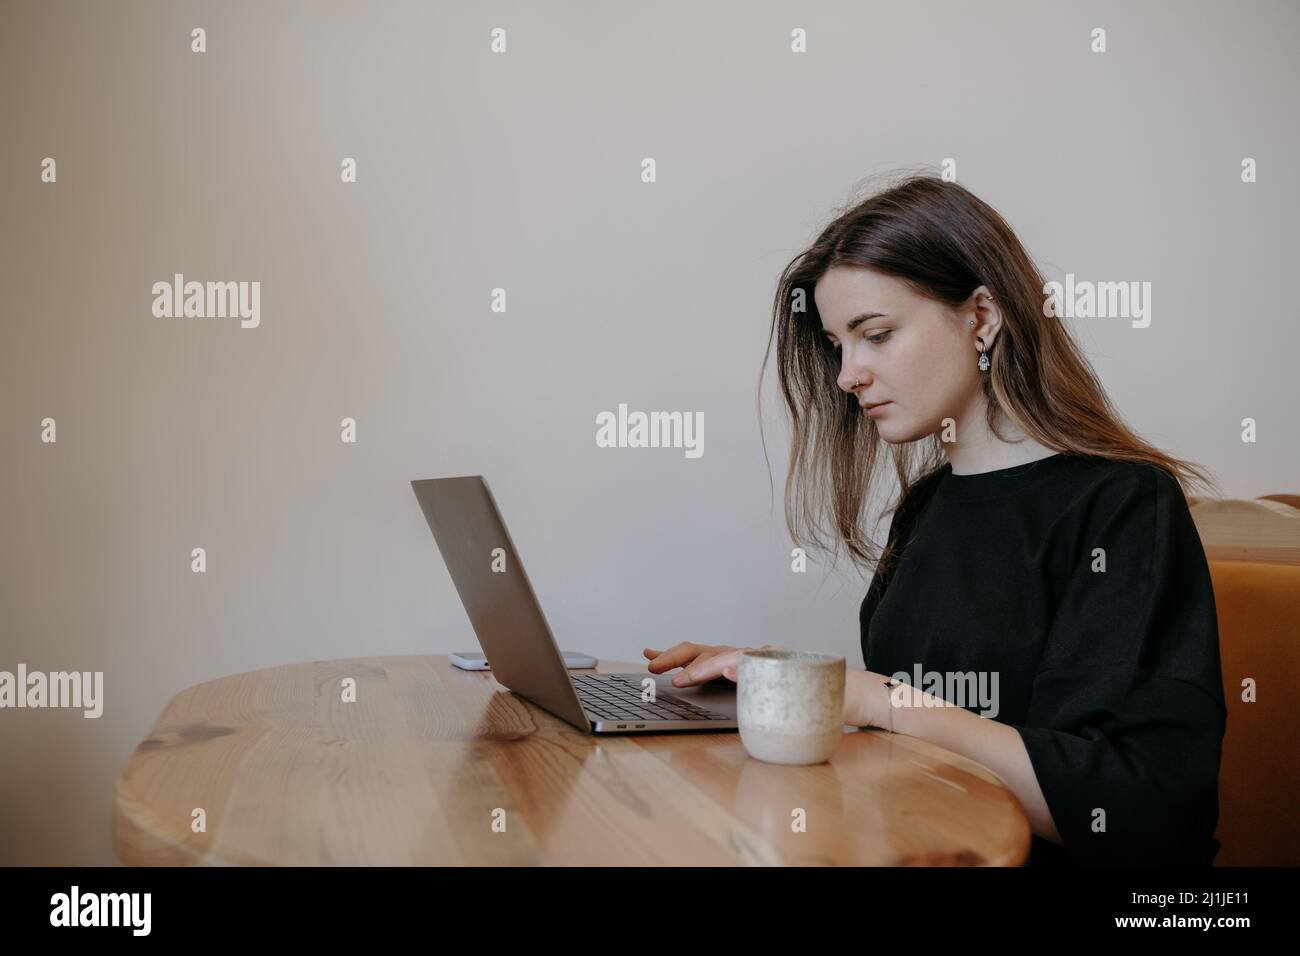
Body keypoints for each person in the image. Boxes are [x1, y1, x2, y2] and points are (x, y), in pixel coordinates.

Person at [644, 172, 1227, 866]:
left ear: (982, 317)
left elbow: (1137, 810)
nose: (846, 375)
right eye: (837, 345)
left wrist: (879, 701)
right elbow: (919, 747)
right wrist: (776, 680)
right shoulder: (926, 508)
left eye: (876, 334)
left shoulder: (1126, 507)